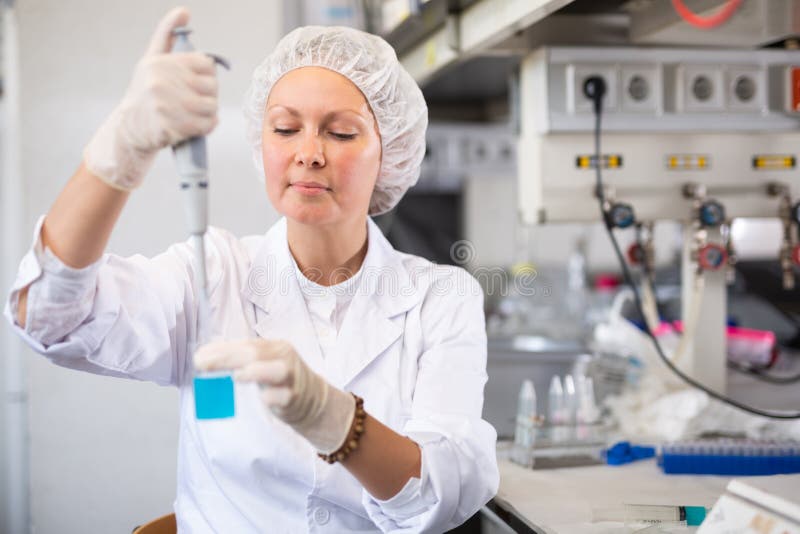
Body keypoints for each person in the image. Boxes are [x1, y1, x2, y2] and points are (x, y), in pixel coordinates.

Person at [4, 7, 498, 533]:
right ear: (262, 143)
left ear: (390, 152)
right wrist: (122, 143)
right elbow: (49, 317)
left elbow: (444, 497)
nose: (308, 153)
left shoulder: (441, 298)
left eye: (343, 134)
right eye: (285, 128)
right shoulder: (210, 275)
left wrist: (338, 424)